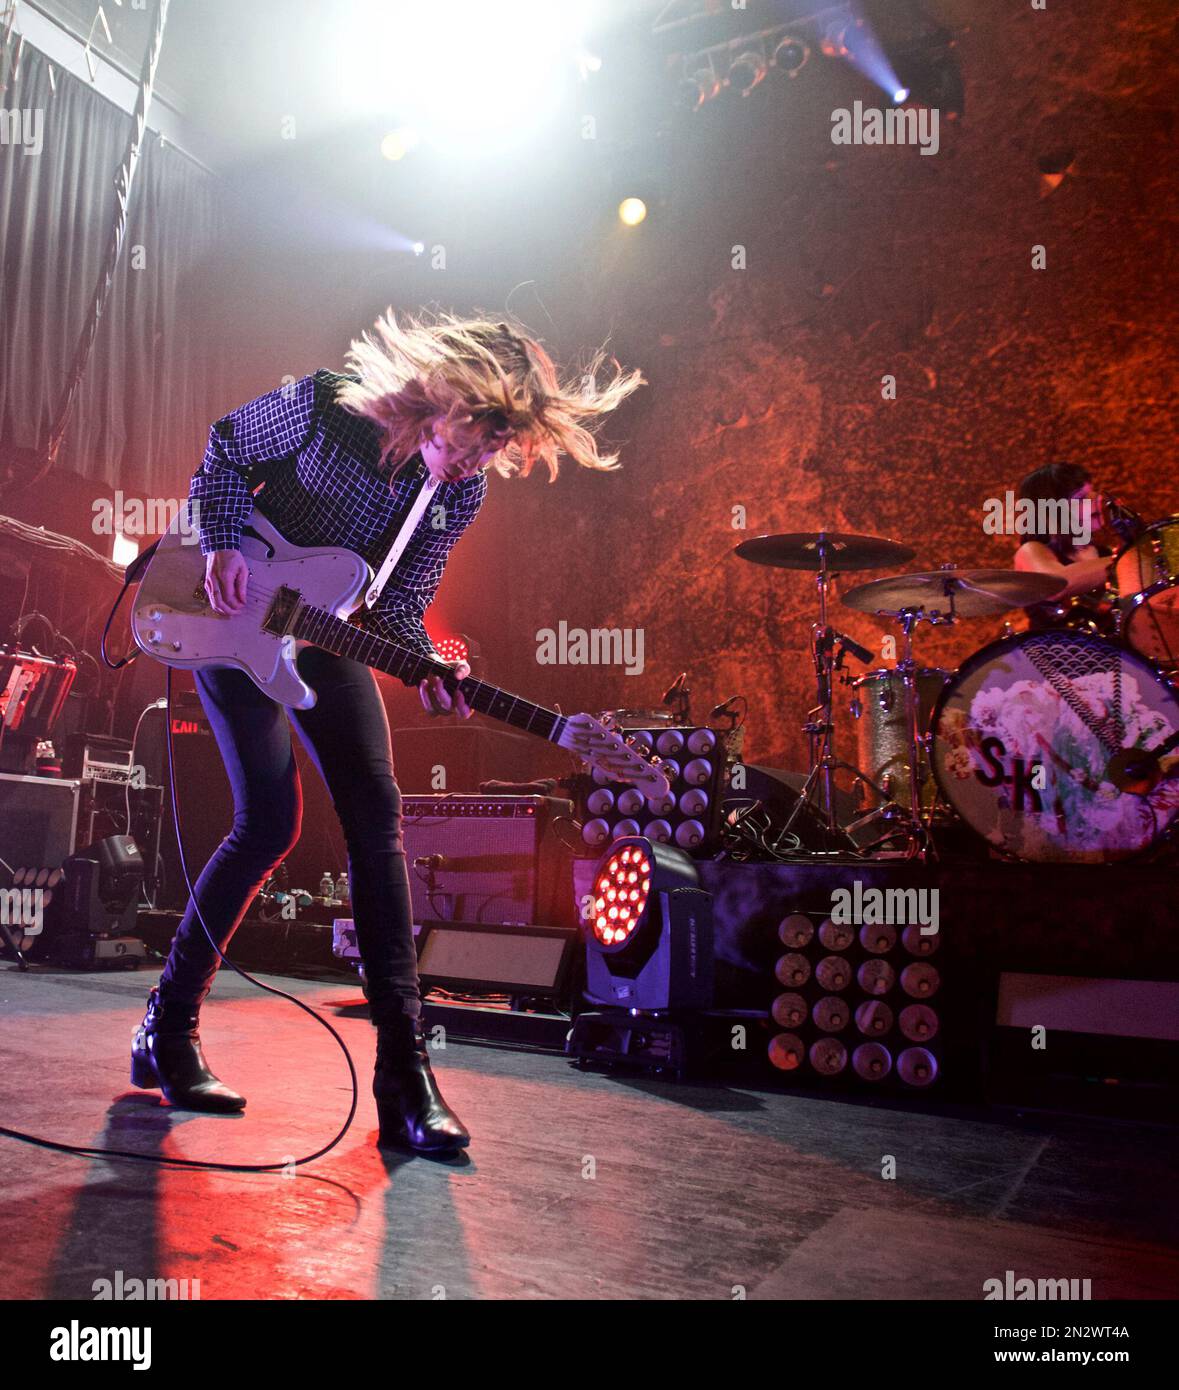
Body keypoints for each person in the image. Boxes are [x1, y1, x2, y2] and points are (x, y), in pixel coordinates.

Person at [130, 310, 643, 1151]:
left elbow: (397, 610)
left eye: (495, 447)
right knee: (269, 823)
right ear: (444, 392)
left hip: (324, 627)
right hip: (230, 611)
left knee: (378, 821)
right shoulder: (324, 406)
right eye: (475, 431)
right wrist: (223, 542)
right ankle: (169, 1026)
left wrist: (429, 667)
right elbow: (225, 445)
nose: (479, 458)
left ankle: (405, 1077)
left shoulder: (458, 492)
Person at [1011, 462, 1138, 633]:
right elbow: (1057, 584)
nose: (1097, 499)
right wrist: (1131, 558)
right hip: (1060, 656)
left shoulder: (1105, 553)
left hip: (1116, 656)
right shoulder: (1031, 551)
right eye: (1080, 498)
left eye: (1093, 491)